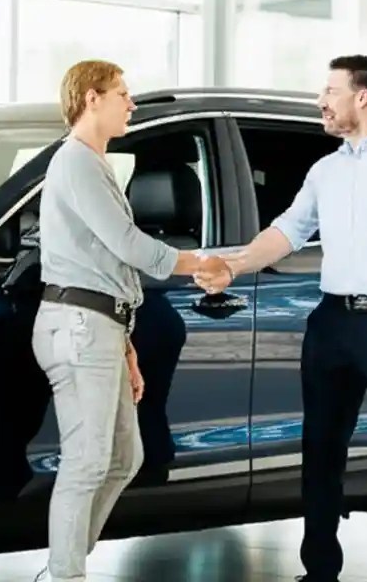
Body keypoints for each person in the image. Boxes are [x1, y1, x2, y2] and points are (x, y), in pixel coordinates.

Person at [195, 54, 367, 582]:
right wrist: (233, 266)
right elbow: (287, 231)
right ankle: (320, 571)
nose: (321, 101)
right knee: (320, 450)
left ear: (362, 97)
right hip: (332, 323)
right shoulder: (325, 170)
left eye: (330, 91)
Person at [33, 59, 232, 582]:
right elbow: (127, 246)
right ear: (91, 98)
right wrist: (198, 262)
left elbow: (109, 265)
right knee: (88, 461)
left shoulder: (94, 165)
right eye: (123, 93)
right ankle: (65, 574)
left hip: (100, 326)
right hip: (77, 327)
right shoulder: (75, 162)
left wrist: (126, 347)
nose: (132, 103)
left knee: (125, 456)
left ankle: (64, 564)